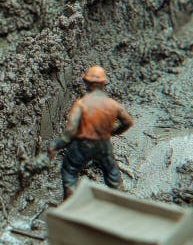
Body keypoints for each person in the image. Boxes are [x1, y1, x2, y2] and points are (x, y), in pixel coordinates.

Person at [48, 66, 134, 199]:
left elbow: (71, 130)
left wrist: (56, 145)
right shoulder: (112, 104)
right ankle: (120, 202)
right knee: (113, 175)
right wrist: (114, 132)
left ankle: (70, 206)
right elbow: (128, 122)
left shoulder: (81, 104)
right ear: (103, 84)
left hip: (82, 145)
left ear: (86, 83)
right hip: (103, 144)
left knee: (69, 173)